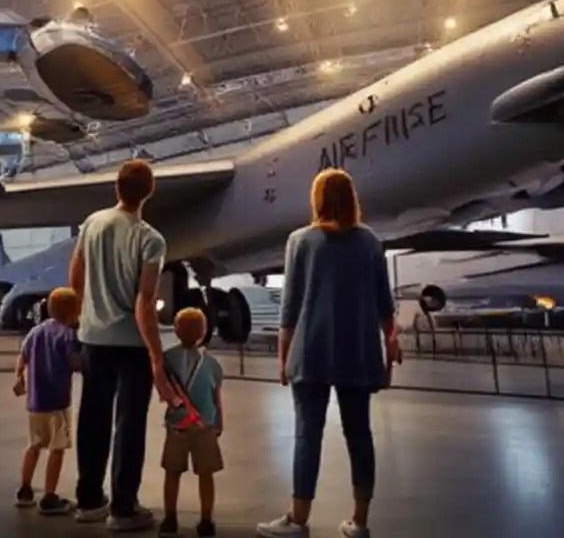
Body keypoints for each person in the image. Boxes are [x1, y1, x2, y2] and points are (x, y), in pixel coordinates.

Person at [257, 169, 401, 538]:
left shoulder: (300, 241)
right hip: (358, 350)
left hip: (311, 351)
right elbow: (385, 303)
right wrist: (390, 341)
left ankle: (298, 518)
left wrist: (283, 358)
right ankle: (360, 521)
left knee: (308, 434)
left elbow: (289, 308)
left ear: (317, 198)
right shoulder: (370, 242)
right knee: (360, 434)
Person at [70, 159, 177, 531]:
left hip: (93, 339)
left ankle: (88, 501)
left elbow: (75, 275)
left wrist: (90, 311)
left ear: (116, 188)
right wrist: (157, 358)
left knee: (92, 419)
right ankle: (123, 508)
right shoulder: (151, 239)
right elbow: (144, 303)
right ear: (149, 192)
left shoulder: (92, 224)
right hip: (131, 345)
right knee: (129, 425)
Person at [14, 287, 82, 515]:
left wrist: (18, 378)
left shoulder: (35, 332)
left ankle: (25, 490)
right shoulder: (68, 335)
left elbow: (22, 357)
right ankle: (49, 496)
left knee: (33, 445)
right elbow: (75, 363)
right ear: (74, 311)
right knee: (57, 448)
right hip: (58, 403)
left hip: (35, 402)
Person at [159, 307, 224, 538]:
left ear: (175, 331)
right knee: (206, 475)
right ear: (204, 331)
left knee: (172, 473)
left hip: (176, 425)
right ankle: (206, 521)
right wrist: (219, 423)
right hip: (204, 425)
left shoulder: (166, 359)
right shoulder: (212, 363)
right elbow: (217, 398)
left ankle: (170, 519)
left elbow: (163, 390)